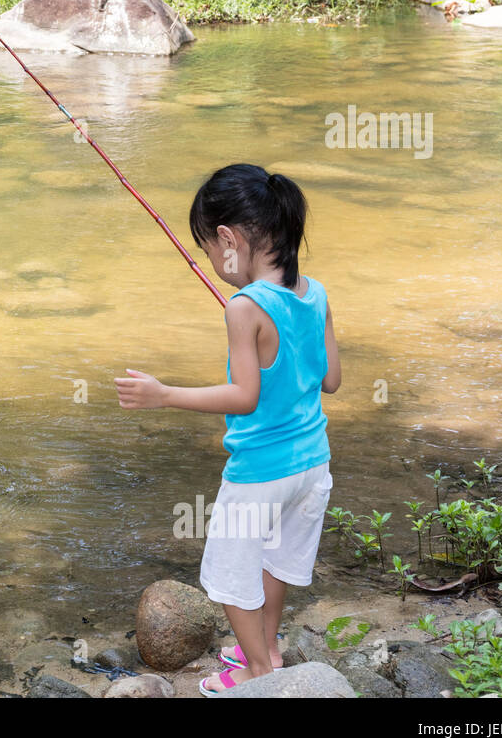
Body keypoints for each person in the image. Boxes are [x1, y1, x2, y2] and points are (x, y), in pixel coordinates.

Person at [114, 163, 341, 695]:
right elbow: (330, 379)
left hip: (260, 472)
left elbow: (245, 396)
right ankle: (267, 644)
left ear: (228, 239)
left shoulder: (243, 307)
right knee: (278, 559)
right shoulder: (316, 293)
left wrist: (163, 394)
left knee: (232, 574)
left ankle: (261, 673)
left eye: (208, 250)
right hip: (313, 466)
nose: (213, 262)